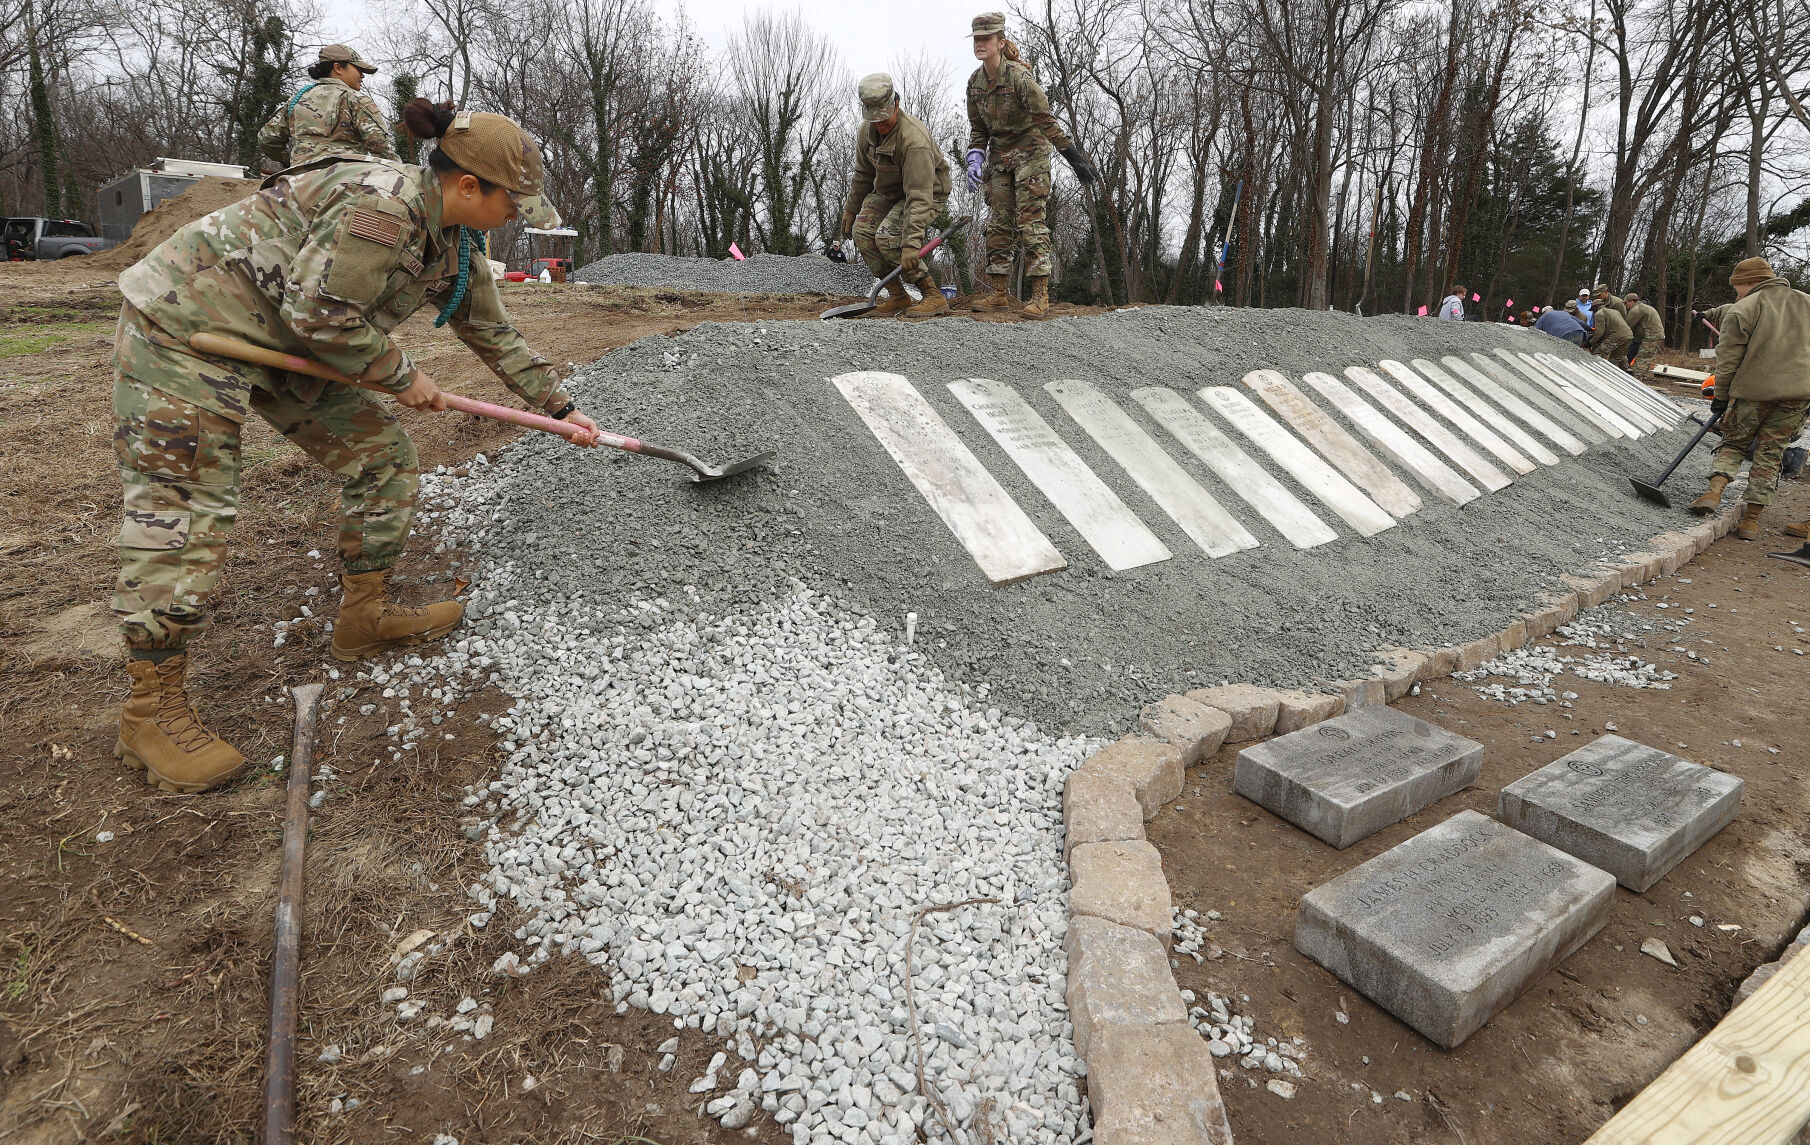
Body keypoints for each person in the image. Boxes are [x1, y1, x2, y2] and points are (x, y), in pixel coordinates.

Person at [110, 100, 600, 794]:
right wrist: (401, 375)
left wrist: (562, 408)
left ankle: (363, 618)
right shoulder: (383, 207)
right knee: (188, 509)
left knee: (384, 459)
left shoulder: (455, 240)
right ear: (468, 185)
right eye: (511, 204)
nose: (514, 217)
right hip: (186, 326)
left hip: (283, 341)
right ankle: (150, 711)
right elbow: (320, 312)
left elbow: (492, 331)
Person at [965, 11, 1095, 318]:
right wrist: (975, 156)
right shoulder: (975, 83)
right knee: (998, 224)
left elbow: (1046, 121)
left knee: (1030, 222)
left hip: (1031, 154)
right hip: (1000, 158)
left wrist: (1073, 157)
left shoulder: (1019, 78)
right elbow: (979, 129)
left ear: (1000, 42)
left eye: (986, 39)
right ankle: (998, 293)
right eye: (977, 39)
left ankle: (1040, 295)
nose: (980, 44)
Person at [1688, 256, 1810, 540]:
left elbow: (1728, 361)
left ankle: (1713, 493)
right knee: (1771, 453)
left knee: (1733, 442)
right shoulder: (1807, 302)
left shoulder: (1744, 308)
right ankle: (1751, 521)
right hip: (1798, 395)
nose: (1736, 293)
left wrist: (1721, 396)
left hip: (1753, 393)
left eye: (1737, 287)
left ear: (1747, 282)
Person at [840, 73, 953, 319]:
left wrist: (911, 244)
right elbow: (863, 174)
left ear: (896, 104)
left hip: (928, 192)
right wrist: (851, 208)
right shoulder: (866, 133)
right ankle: (898, 296)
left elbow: (919, 196)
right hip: (891, 191)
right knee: (862, 231)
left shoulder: (913, 140)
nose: (879, 124)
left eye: (883, 117)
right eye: (874, 118)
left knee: (888, 236)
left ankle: (933, 295)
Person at [260, 45, 400, 168]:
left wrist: (292, 161)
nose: (362, 75)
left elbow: (266, 139)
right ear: (338, 68)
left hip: (299, 180)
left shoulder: (296, 99)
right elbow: (379, 145)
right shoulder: (355, 99)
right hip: (345, 180)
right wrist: (403, 172)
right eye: (358, 69)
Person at [1624, 292, 1664, 367]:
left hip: (1651, 337)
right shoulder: (1644, 307)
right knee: (1644, 359)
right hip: (1655, 335)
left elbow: (1627, 327)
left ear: (1631, 301)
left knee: (1641, 361)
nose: (1626, 306)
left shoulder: (1635, 310)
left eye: (1626, 303)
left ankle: (1638, 374)